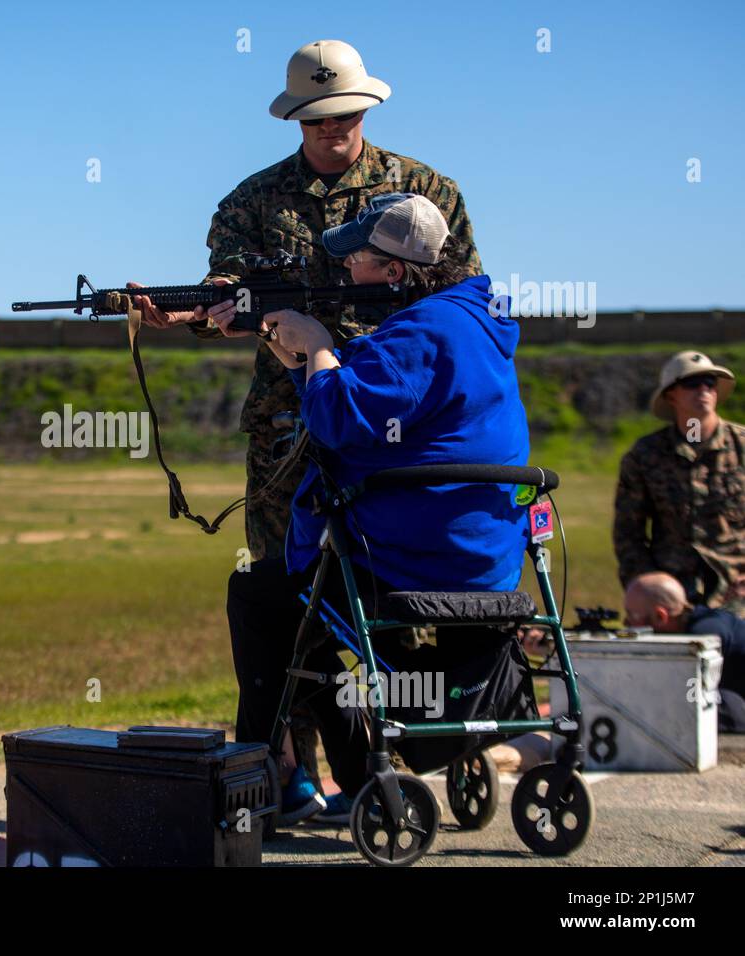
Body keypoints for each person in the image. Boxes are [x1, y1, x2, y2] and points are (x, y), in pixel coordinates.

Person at [129, 37, 483, 791]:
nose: (333, 128)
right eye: (318, 116)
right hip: (292, 426)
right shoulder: (251, 201)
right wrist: (193, 312)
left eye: (345, 113)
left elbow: (464, 304)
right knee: (286, 590)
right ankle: (294, 767)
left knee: (401, 589)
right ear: (295, 118)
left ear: (365, 107)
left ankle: (430, 741)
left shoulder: (428, 190)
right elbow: (227, 291)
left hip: (401, 419)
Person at [221, 193, 529, 822]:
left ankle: (268, 785)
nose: (346, 274)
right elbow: (379, 382)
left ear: (392, 273)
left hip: (416, 565)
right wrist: (306, 350)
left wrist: (318, 344)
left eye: (357, 261)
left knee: (261, 597)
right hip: (481, 563)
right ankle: (355, 773)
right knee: (295, 612)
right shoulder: (470, 322)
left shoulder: (423, 329)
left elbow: (340, 417)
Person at [613, 351, 745, 616]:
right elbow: (629, 534)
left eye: (710, 382)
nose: (704, 390)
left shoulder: (742, 446)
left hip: (738, 592)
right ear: (671, 395)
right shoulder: (645, 456)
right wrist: (649, 589)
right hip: (673, 600)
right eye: (692, 384)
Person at [623, 572, 745, 732]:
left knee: (684, 705)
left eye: (632, 616)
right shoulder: (698, 621)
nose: (626, 624)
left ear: (660, 616)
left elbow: (685, 693)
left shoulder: (702, 637)